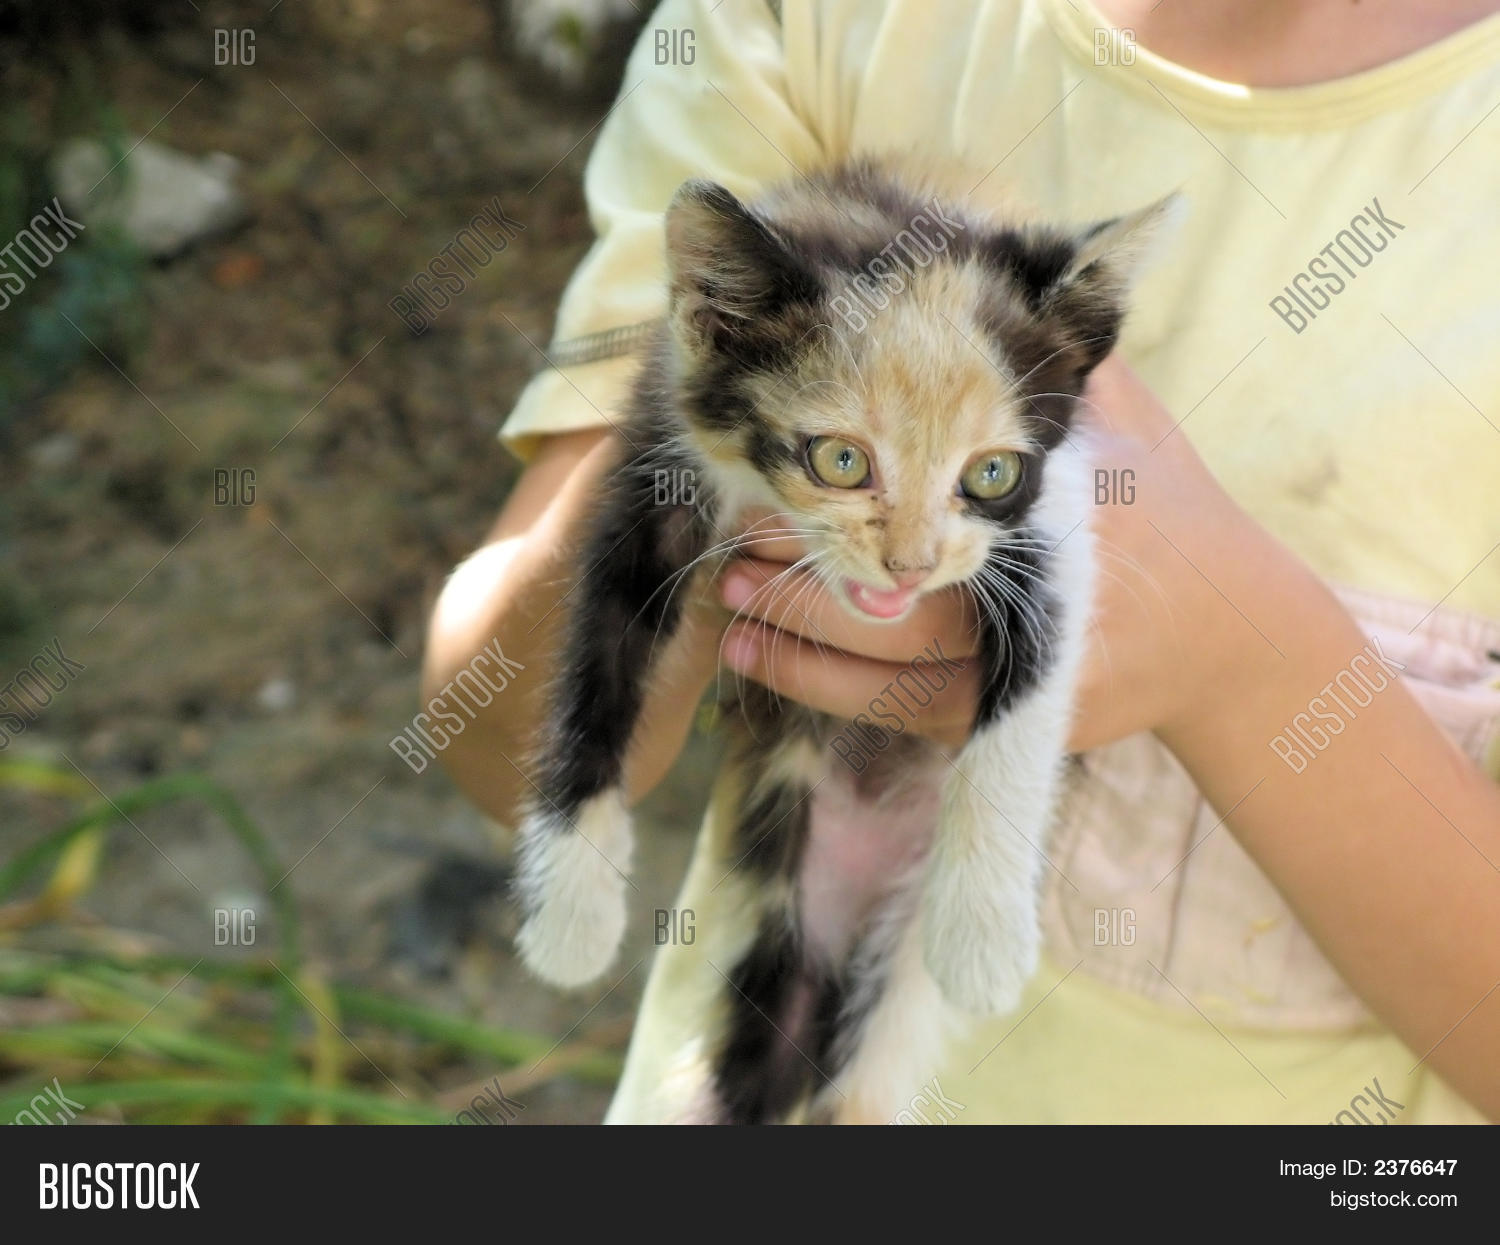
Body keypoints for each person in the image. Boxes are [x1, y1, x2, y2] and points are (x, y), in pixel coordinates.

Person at [425, 0, 1500, 1122]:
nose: (910, 554)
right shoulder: (809, 26)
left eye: (982, 481)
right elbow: (479, 730)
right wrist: (687, 478)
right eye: (843, 456)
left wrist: (1241, 664)